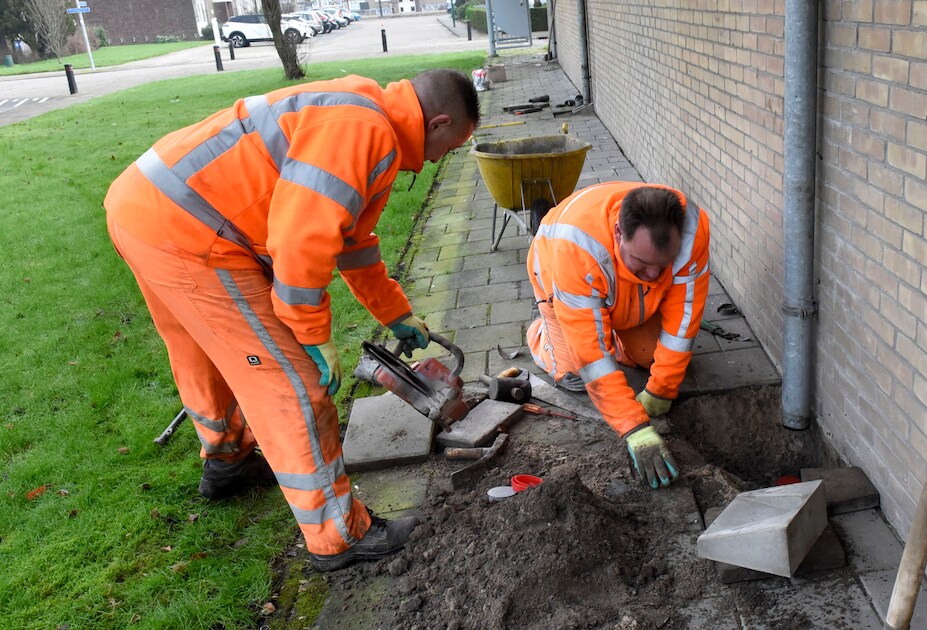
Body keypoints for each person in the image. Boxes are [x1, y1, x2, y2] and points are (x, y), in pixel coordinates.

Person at [104, 69, 479, 571]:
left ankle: (227, 459)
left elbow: (351, 240)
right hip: (195, 231)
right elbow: (301, 240)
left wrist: (396, 312)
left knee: (206, 354)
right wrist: (311, 334)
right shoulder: (364, 132)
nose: (441, 160)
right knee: (292, 383)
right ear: (438, 123)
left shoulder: (367, 113)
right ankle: (339, 535)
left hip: (148, 208)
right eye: (449, 148)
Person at [525, 182, 711, 489]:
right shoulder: (578, 249)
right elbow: (592, 355)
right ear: (617, 234)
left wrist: (662, 389)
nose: (653, 275)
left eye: (662, 266)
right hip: (559, 280)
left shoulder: (693, 234)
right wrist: (633, 426)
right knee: (574, 376)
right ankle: (542, 333)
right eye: (642, 263)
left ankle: (614, 328)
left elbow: (683, 318)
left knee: (652, 359)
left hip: (624, 295)